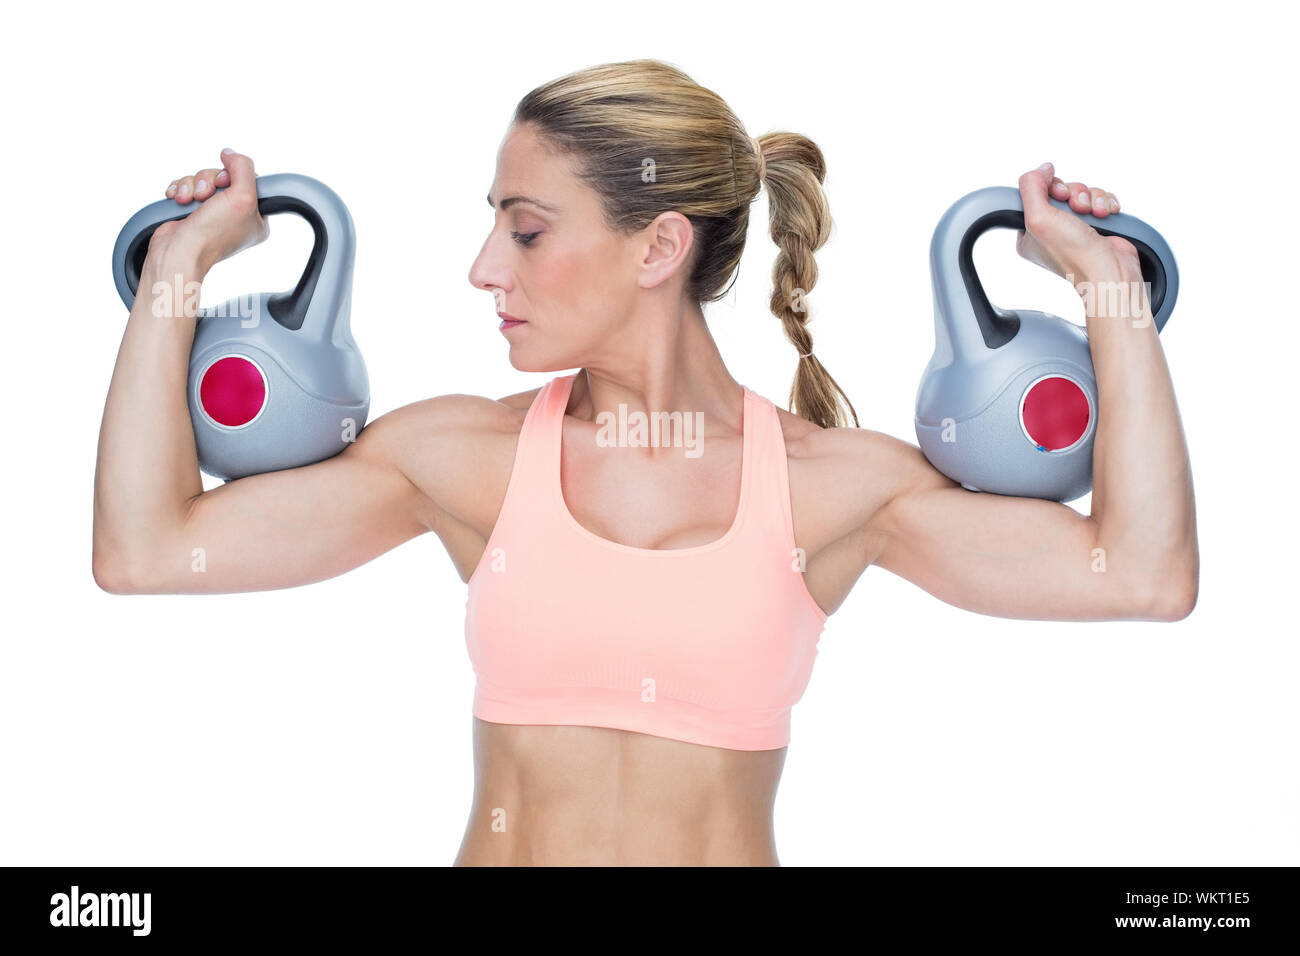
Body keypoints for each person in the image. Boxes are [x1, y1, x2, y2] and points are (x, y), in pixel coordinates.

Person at [93, 59, 1198, 866]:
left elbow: (1142, 573)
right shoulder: (462, 457)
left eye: (524, 230)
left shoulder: (833, 485)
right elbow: (149, 549)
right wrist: (174, 273)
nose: (484, 267)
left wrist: (1109, 287)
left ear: (659, 247)